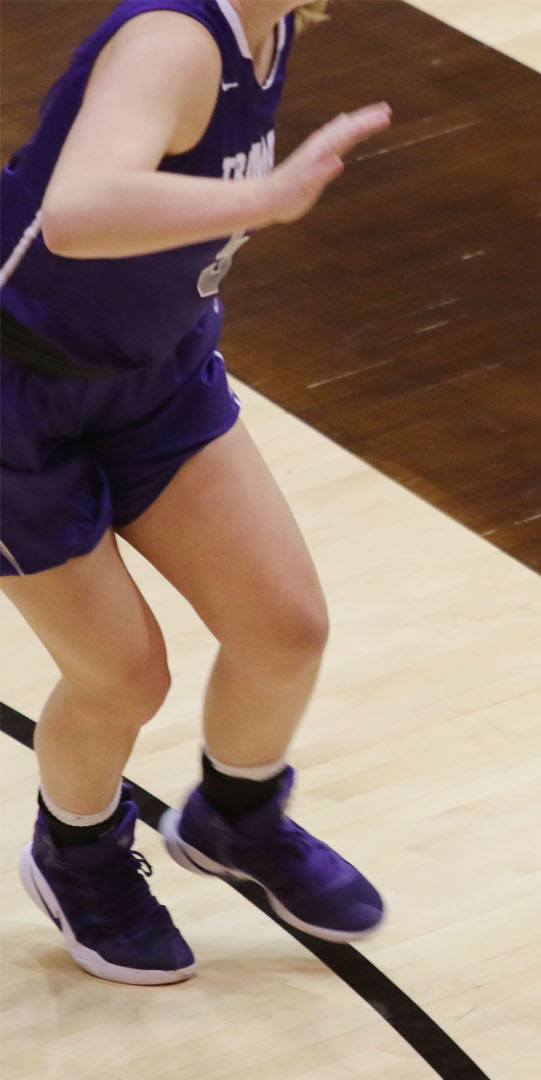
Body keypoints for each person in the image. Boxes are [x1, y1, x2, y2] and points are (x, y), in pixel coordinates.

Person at [2, 0, 390, 985]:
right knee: (125, 675)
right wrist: (267, 201)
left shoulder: (273, 28)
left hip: (156, 371)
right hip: (16, 390)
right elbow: (81, 213)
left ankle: (237, 813)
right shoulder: (173, 39)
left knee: (285, 627)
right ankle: (77, 852)